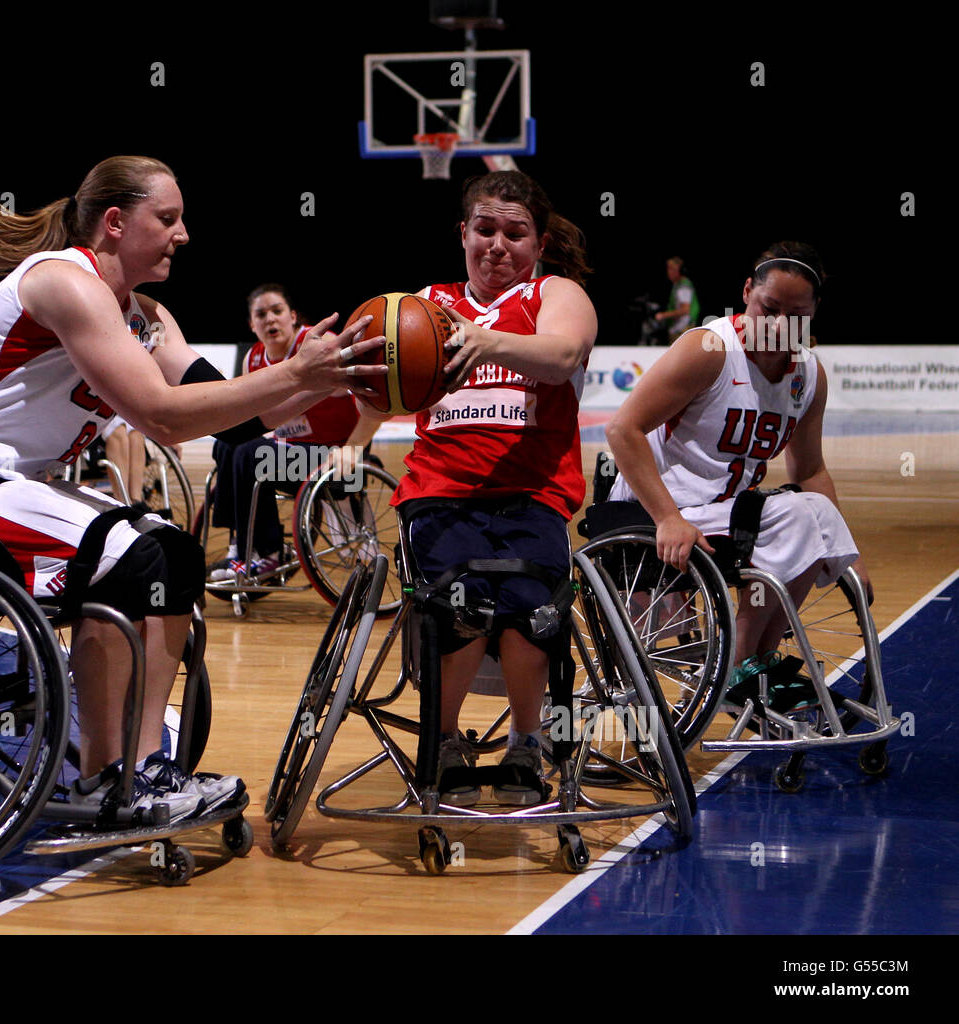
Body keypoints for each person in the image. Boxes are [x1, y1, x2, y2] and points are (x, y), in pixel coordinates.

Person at [0, 156, 384, 825]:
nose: (183, 234)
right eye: (168, 219)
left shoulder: (147, 316)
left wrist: (323, 378)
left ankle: (147, 769)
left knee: (171, 551)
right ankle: (101, 776)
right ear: (116, 223)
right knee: (125, 554)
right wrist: (295, 370)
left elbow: (239, 421)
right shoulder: (64, 282)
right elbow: (165, 417)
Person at [385, 170, 597, 807]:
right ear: (464, 233)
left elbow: (562, 355)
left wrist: (484, 341)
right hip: (439, 490)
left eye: (515, 233)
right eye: (486, 229)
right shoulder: (423, 303)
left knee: (532, 610)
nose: (498, 244)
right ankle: (443, 740)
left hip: (534, 489)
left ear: (536, 245)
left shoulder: (555, 294)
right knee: (461, 609)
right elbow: (379, 379)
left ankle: (527, 743)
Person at [604, 241, 868, 709]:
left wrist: (847, 553)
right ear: (747, 292)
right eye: (769, 307)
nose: (778, 324)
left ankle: (757, 663)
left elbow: (810, 469)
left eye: (795, 314)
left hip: (726, 515)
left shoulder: (808, 376)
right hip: (657, 508)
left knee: (812, 511)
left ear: (814, 312)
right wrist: (666, 517)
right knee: (793, 515)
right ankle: (739, 667)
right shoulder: (709, 349)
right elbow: (623, 429)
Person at [208, 283, 377, 581]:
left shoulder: (321, 345)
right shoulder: (254, 360)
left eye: (277, 311)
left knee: (248, 454)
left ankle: (269, 553)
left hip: (338, 461)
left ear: (293, 316)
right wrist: (227, 474)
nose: (270, 319)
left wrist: (354, 448)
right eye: (261, 314)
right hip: (292, 459)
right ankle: (240, 546)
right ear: (252, 325)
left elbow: (370, 394)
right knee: (227, 444)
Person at [653, 256, 699, 341]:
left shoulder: (683, 286)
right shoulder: (677, 285)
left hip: (682, 330)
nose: (669, 272)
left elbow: (685, 310)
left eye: (672, 269)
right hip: (678, 329)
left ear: (680, 270)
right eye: (668, 268)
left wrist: (663, 315)